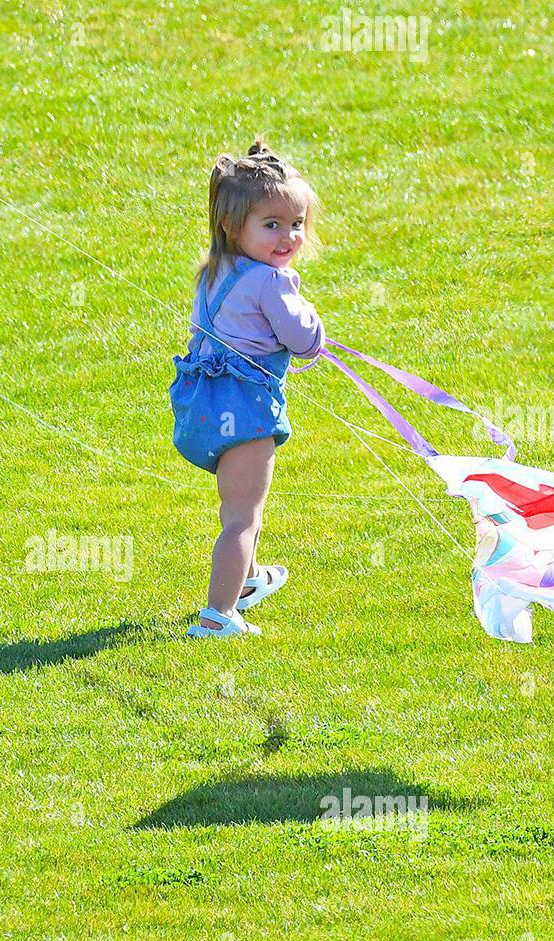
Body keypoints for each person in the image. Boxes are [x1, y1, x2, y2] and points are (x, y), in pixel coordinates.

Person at [169, 140, 324, 637]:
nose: (288, 237)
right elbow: (302, 342)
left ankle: (249, 580)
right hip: (247, 410)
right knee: (242, 519)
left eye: (296, 224)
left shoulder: (213, 271)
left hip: (205, 407)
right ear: (232, 227)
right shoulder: (271, 283)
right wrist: (312, 319)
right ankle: (218, 615)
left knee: (236, 505)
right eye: (272, 225)